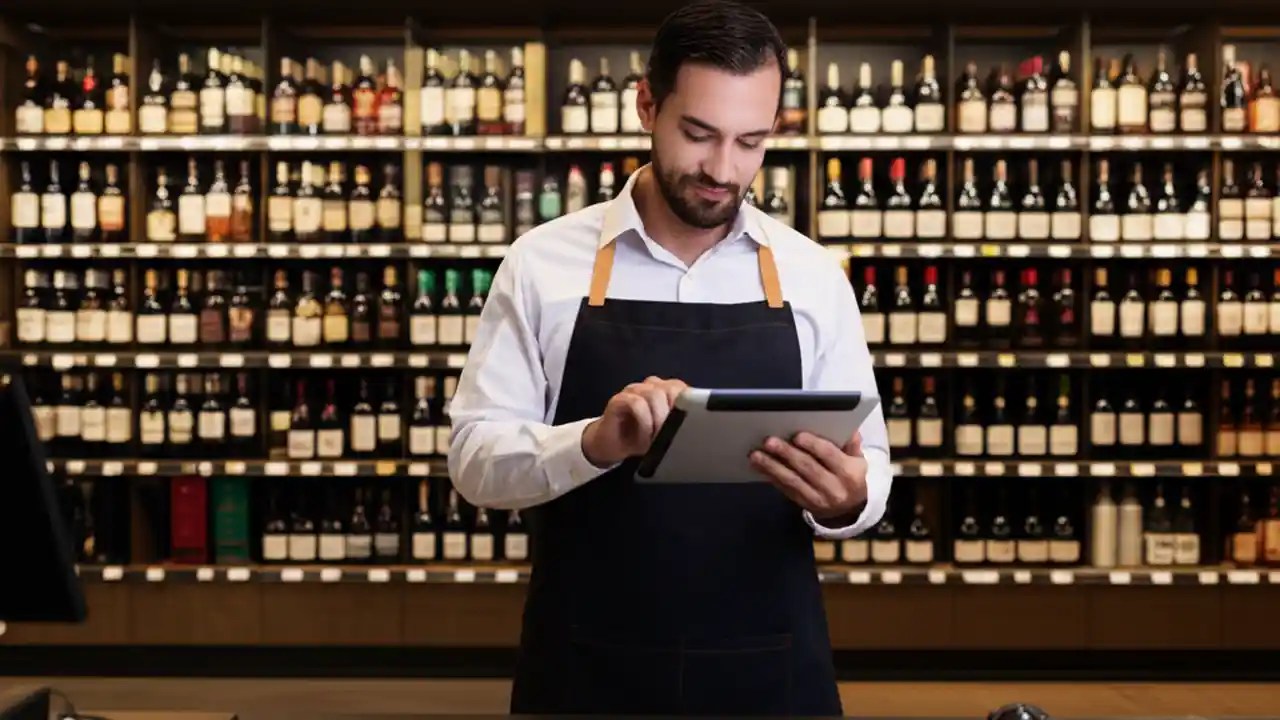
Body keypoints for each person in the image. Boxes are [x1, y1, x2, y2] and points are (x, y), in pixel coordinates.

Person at [447, 0, 892, 714]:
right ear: (646, 104)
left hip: (768, 667)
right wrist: (594, 441)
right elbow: (472, 462)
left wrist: (849, 499)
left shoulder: (812, 276)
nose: (723, 168)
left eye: (752, 141)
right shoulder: (541, 265)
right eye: (699, 134)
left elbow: (872, 465)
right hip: (588, 667)